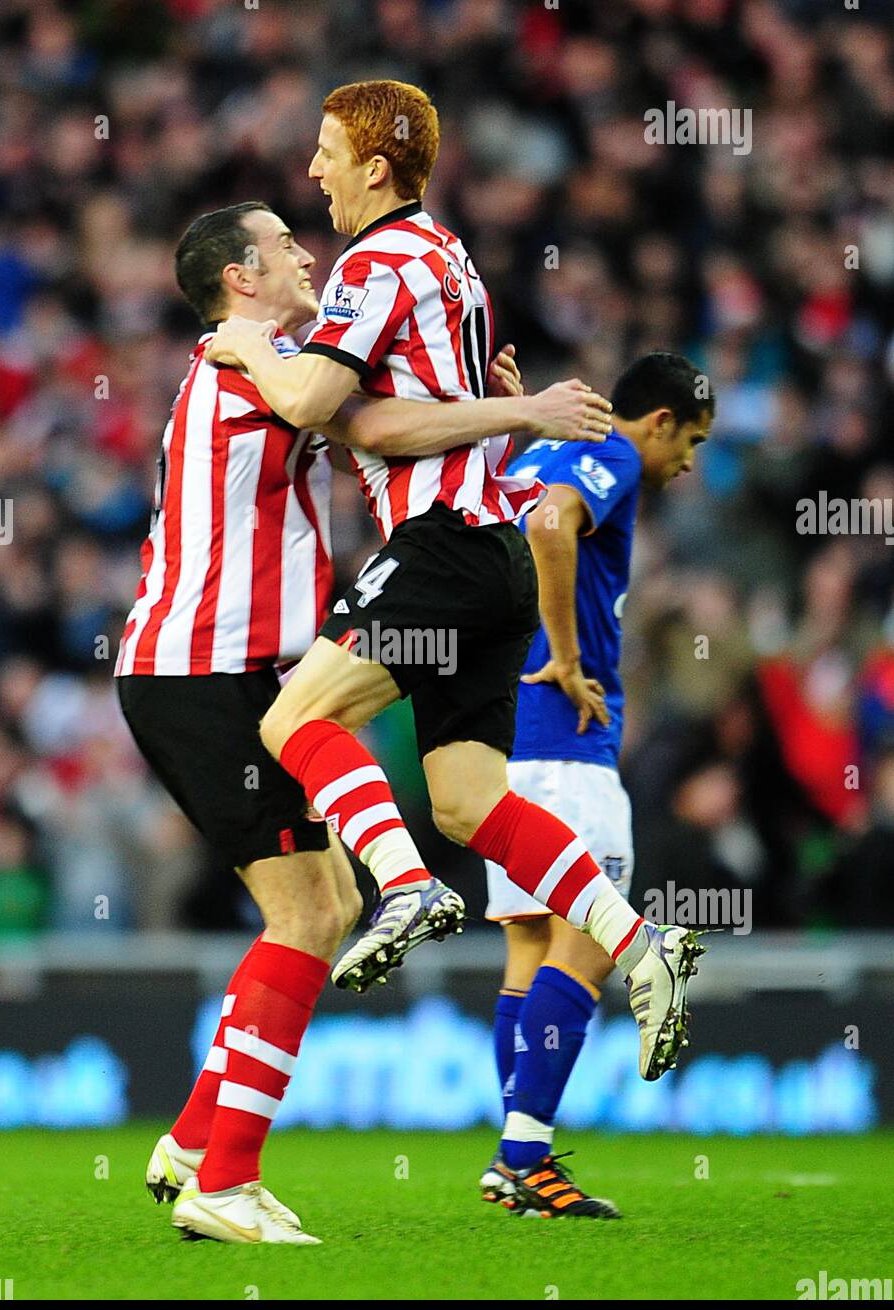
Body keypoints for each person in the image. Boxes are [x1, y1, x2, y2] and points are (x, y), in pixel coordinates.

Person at [206, 84, 703, 1135]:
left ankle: (402, 886)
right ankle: (636, 939)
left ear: (377, 168)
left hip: (443, 549)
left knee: (293, 720)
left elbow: (313, 405)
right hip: (497, 567)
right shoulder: (449, 256)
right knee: (471, 805)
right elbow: (386, 420)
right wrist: (493, 406)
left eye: (328, 152)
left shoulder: (377, 263)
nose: (314, 172)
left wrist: (245, 344)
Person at [119, 200, 609, 1244]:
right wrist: (504, 412)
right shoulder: (253, 351)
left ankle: (192, 1142)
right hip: (196, 667)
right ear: (239, 279)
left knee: (316, 904)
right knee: (310, 912)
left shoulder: (279, 353)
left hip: (230, 668)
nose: (309, 253)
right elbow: (364, 418)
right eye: (283, 245)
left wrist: (488, 409)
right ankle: (225, 1178)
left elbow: (394, 429)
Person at [480, 352, 715, 1219]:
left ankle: (513, 1153)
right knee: (587, 943)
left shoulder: (538, 445)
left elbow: (520, 507)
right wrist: (569, 659)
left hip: (501, 739)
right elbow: (548, 527)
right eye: (688, 441)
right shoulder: (611, 453)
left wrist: (511, 409)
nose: (687, 460)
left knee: (529, 947)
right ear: (655, 422)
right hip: (568, 742)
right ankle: (524, 1155)